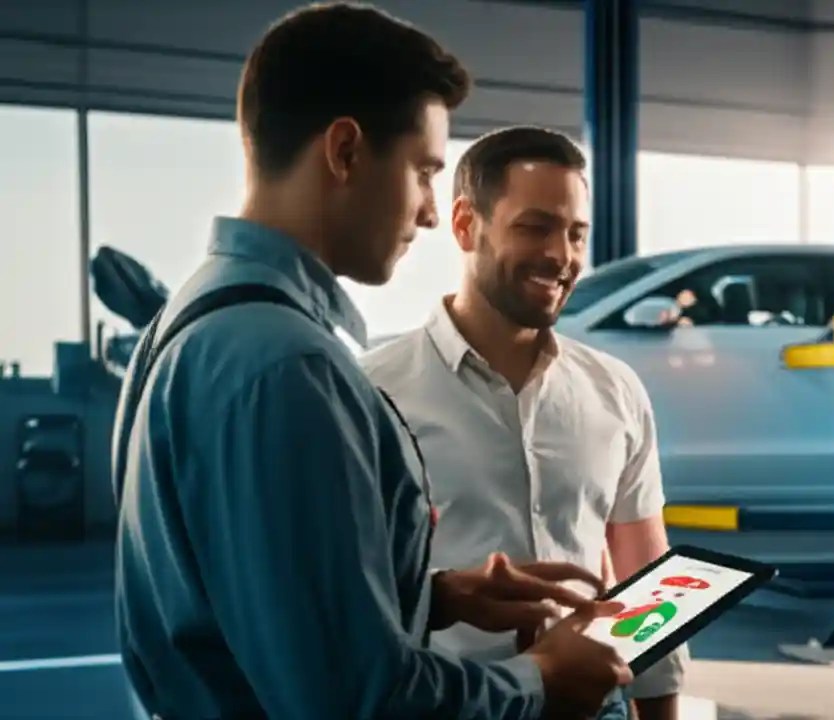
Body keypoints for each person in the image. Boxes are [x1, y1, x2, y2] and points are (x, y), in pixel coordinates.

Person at [111, 5, 631, 719]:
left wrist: (433, 594)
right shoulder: (289, 368)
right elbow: (361, 703)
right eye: (423, 172)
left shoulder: (192, 323)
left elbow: (247, 599)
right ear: (347, 152)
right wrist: (543, 680)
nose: (425, 210)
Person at [360, 126, 689, 720]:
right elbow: (352, 594)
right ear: (465, 225)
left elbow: (647, 580)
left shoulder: (614, 391)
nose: (561, 256)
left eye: (575, 233)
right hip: (450, 705)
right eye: (534, 227)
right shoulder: (374, 392)